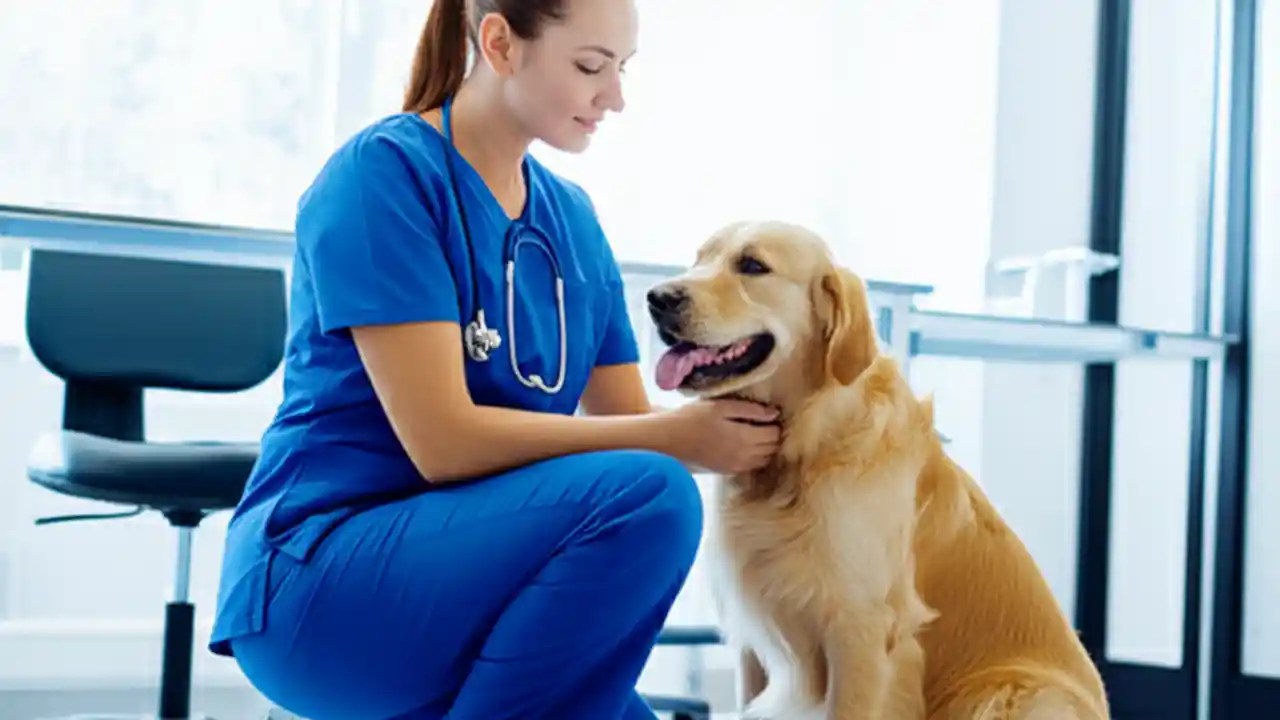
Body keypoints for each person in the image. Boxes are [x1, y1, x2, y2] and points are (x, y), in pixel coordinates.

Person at [207, 0, 782, 717]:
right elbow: (444, 445)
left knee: (647, 500)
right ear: (501, 43)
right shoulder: (382, 176)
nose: (616, 97)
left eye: (622, 70)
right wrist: (677, 437)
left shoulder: (571, 221)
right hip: (320, 585)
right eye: (591, 66)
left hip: (475, 591)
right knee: (652, 493)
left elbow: (626, 424)